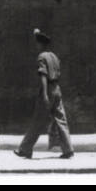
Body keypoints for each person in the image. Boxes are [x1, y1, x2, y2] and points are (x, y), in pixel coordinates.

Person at [15, 29, 74, 159]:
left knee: (37, 120)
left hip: (48, 89)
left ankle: (25, 149)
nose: (36, 46)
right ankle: (68, 150)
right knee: (61, 120)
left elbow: (43, 75)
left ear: (41, 44)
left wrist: (45, 95)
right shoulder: (54, 56)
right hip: (57, 88)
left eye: (37, 44)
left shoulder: (41, 57)